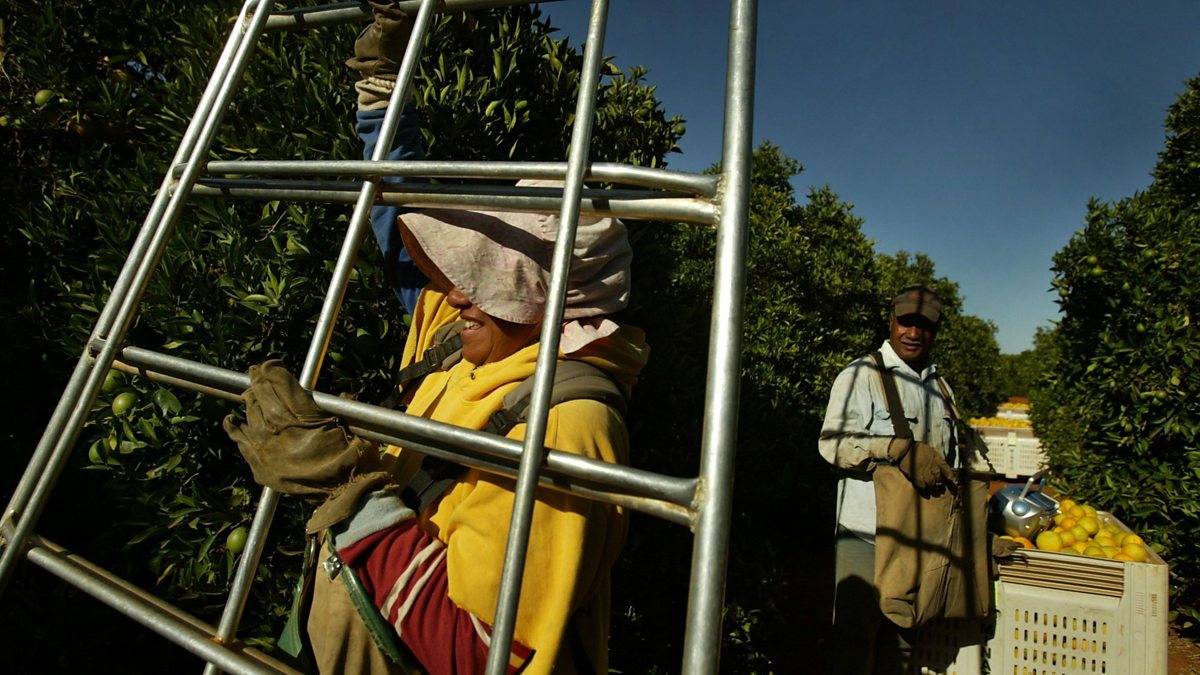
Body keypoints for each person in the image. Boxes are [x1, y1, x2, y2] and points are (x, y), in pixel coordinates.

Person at [224, 4, 649, 672]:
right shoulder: (472, 336)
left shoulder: (570, 426)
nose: (454, 292)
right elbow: (400, 220)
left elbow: (482, 649)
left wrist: (346, 486)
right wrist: (383, 93)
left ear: (559, 310)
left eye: (486, 280)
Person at [817, 284, 958, 674]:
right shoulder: (863, 375)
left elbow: (952, 463)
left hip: (919, 541)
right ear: (891, 321)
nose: (913, 333)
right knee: (854, 644)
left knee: (903, 649)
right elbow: (832, 445)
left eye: (924, 325)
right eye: (906, 322)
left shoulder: (939, 387)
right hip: (866, 538)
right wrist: (893, 448)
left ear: (936, 331)